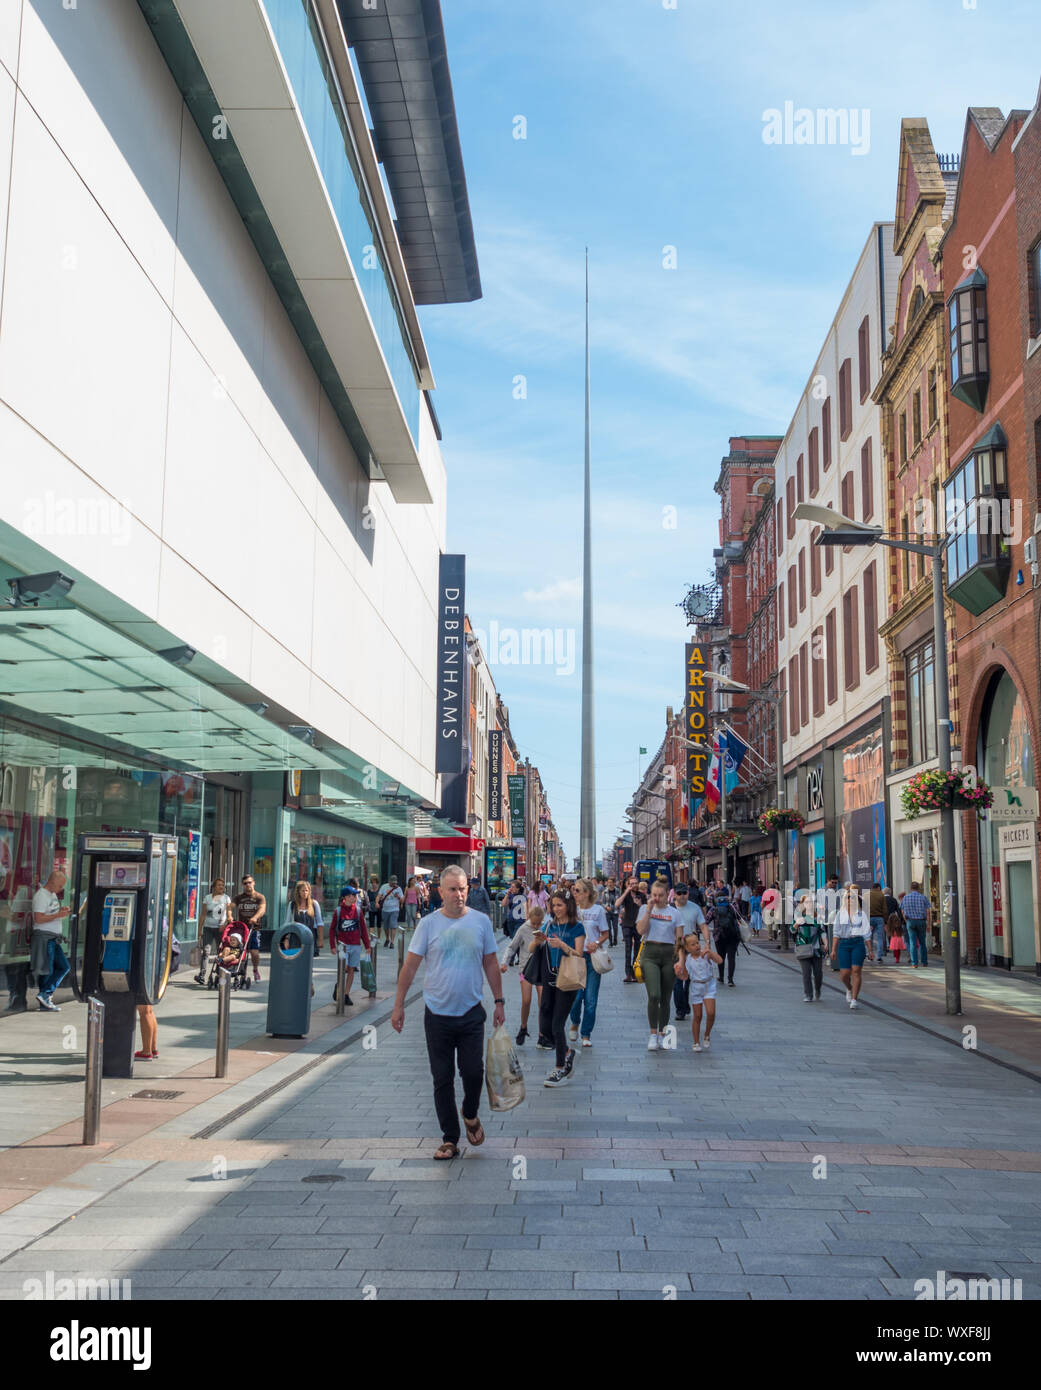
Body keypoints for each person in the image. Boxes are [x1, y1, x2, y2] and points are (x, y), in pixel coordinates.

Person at [391, 865, 503, 1160]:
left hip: (470, 1013)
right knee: (442, 1077)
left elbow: (491, 962)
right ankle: (450, 1138)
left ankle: (470, 1112)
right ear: (440, 892)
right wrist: (399, 1004)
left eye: (463, 888)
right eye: (452, 889)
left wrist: (500, 1001)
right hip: (437, 1014)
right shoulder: (428, 925)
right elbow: (411, 966)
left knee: (473, 1072)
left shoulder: (480, 922)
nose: (458, 894)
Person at [538, 889, 585, 1085]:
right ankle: (568, 1052)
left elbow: (579, 954)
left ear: (568, 906)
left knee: (558, 1023)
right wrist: (538, 941)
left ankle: (559, 1069)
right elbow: (540, 949)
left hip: (568, 978)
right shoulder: (550, 925)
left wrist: (563, 946)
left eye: (560, 905)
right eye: (553, 905)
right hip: (550, 976)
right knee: (544, 1021)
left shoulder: (577, 927)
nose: (556, 909)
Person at [635, 878, 683, 1050]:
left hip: (669, 954)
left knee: (665, 997)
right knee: (654, 994)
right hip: (650, 953)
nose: (657, 898)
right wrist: (648, 910)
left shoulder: (675, 913)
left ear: (667, 895)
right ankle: (653, 1034)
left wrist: (681, 961)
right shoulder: (644, 909)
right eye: (654, 894)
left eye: (660, 895)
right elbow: (640, 931)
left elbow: (679, 940)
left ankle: (663, 1033)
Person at [568, 879, 610, 1049]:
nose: (574, 893)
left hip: (591, 957)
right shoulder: (572, 911)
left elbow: (605, 933)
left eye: (577, 890)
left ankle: (586, 1034)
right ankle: (575, 1021)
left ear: (586, 893)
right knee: (576, 998)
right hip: (576, 957)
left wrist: (597, 943)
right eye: (574, 890)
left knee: (591, 999)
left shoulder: (598, 911)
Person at [500, 903, 543, 1045]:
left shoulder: (545, 928)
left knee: (542, 1001)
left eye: (538, 923)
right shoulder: (524, 928)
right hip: (525, 968)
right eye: (534, 923)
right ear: (529, 919)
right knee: (526, 1000)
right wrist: (505, 962)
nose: (536, 926)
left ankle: (542, 1033)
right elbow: (512, 946)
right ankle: (523, 1027)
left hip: (541, 969)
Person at [31, 868, 72, 1012]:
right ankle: (45, 997)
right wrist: (58, 915)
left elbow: (51, 913)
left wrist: (61, 912)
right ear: (53, 882)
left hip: (53, 937)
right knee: (47, 969)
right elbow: (38, 918)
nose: (61, 889)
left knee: (63, 966)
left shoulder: (52, 894)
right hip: (45, 936)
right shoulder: (42, 896)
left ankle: (45, 995)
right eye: (60, 886)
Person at [677, 931, 722, 1051]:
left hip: (709, 985)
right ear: (687, 948)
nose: (697, 946)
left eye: (697, 943)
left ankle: (707, 1034)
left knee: (711, 1013)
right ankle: (696, 1042)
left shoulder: (706, 955)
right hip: (696, 987)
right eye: (692, 944)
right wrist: (678, 973)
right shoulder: (688, 960)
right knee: (698, 1016)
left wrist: (711, 953)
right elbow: (685, 977)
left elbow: (720, 960)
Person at [831, 884, 873, 1008]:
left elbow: (866, 933)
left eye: (853, 897)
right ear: (845, 899)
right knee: (844, 974)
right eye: (848, 897)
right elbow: (836, 933)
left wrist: (870, 950)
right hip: (844, 944)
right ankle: (849, 988)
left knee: (856, 971)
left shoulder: (861, 915)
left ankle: (854, 999)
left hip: (858, 943)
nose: (850, 899)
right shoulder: (840, 914)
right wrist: (833, 949)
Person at [671, 882, 708, 1020]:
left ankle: (685, 1004)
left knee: (689, 979)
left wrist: (707, 944)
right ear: (674, 894)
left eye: (684, 893)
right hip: (675, 948)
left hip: (691, 947)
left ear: (688, 893)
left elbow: (703, 926)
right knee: (677, 980)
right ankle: (680, 1010)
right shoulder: (670, 909)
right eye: (679, 893)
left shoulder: (695, 908)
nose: (682, 896)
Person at [329, 886, 370, 1005]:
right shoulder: (338, 911)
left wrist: (367, 945)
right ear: (347, 897)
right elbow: (332, 930)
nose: (356, 897)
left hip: (356, 944)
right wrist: (332, 945)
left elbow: (363, 928)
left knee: (351, 969)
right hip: (343, 945)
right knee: (344, 968)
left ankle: (346, 993)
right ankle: (339, 986)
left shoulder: (358, 911)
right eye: (354, 895)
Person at [195, 876, 232, 983]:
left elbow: (229, 914)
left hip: (220, 930)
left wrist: (225, 925)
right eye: (219, 885)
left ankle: (220, 973)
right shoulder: (207, 898)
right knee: (206, 952)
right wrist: (199, 929)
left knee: (221, 952)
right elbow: (203, 915)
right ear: (214, 887)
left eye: (223, 885)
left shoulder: (226, 898)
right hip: (208, 928)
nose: (222, 887)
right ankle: (202, 975)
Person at [792, 892, 828, 1001]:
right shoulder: (799, 917)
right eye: (806, 902)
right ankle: (808, 994)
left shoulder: (817, 918)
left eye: (811, 902)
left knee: (818, 974)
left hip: (816, 949)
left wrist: (826, 943)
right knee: (806, 973)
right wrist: (796, 924)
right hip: (803, 948)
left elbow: (822, 931)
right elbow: (792, 931)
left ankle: (818, 989)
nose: (809, 904)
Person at [232, 874, 267, 982]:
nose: (248, 885)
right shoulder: (239, 898)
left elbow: (262, 909)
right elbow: (231, 906)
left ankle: (255, 970)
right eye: (245, 883)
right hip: (241, 929)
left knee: (254, 952)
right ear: (243, 885)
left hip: (253, 928)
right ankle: (240, 971)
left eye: (249, 882)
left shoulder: (259, 897)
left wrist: (255, 917)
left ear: (253, 883)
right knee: (240, 952)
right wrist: (229, 916)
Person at [616, 875, 647, 982]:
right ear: (628, 885)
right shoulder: (626, 895)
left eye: (635, 883)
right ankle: (628, 974)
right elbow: (617, 904)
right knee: (628, 948)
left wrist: (640, 905)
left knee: (637, 948)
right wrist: (626, 892)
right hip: (627, 924)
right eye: (632, 884)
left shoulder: (642, 895)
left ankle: (634, 972)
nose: (634, 885)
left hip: (638, 925)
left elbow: (647, 910)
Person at [710, 889, 741, 987]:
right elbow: (739, 917)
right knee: (731, 958)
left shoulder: (714, 909)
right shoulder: (733, 906)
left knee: (721, 956)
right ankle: (730, 980)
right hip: (732, 936)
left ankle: (721, 977)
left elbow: (705, 920)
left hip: (719, 936)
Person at [901, 881, 932, 968]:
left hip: (910, 921)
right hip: (921, 921)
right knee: (922, 942)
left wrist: (906, 920)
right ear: (918, 888)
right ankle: (924, 962)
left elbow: (902, 911)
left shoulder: (905, 898)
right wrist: (928, 924)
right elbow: (928, 912)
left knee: (912, 942)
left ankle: (914, 963)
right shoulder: (923, 898)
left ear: (911, 888)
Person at [288, 880, 323, 954]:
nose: (305, 893)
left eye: (306, 890)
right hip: (295, 938)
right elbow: (288, 923)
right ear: (298, 892)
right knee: (296, 960)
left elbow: (320, 923)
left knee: (308, 961)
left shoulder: (314, 904)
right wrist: (286, 939)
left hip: (310, 937)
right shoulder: (292, 905)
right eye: (303, 891)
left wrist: (320, 940)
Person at [377, 876, 404, 946]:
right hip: (385, 909)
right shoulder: (384, 887)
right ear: (389, 881)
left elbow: (402, 900)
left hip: (394, 909)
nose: (393, 884)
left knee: (393, 925)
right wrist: (377, 902)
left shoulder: (398, 888)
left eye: (395, 883)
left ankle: (392, 941)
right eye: (392, 883)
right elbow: (379, 895)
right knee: (386, 926)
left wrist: (398, 897)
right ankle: (387, 939)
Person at [867, 882, 887, 963]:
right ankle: (879, 956)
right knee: (879, 938)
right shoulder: (881, 895)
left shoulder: (867, 894)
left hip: (869, 918)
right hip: (879, 918)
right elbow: (884, 909)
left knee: (869, 937)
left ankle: (870, 955)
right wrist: (885, 920)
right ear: (878, 888)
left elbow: (865, 908)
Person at [601, 877, 619, 946]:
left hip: (615, 911)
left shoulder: (617, 891)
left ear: (614, 883)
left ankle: (615, 939)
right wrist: (606, 907)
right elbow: (602, 902)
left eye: (611, 882)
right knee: (608, 927)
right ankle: (610, 942)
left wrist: (619, 909)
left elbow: (620, 900)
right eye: (608, 882)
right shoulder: (605, 891)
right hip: (607, 912)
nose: (609, 884)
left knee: (615, 927)